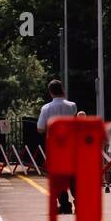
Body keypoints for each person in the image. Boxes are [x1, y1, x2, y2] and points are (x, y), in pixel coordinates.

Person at [38, 79, 76, 213]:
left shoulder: (46, 108)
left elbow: (40, 128)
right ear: (62, 89)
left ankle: (64, 204)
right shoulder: (72, 105)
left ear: (50, 92)